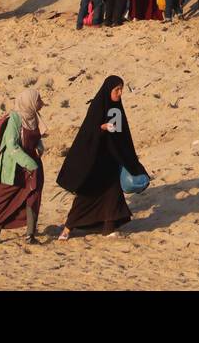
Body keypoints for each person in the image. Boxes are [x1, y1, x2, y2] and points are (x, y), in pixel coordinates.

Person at [56, 76, 148, 238]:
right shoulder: (98, 107)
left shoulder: (117, 109)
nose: (120, 93)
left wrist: (127, 158)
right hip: (94, 161)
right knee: (85, 196)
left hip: (111, 162)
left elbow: (121, 136)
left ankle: (109, 228)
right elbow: (88, 134)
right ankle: (68, 228)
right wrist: (102, 128)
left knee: (112, 196)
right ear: (108, 90)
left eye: (121, 89)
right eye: (116, 90)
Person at [0, 89, 45, 244]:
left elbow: (37, 137)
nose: (41, 103)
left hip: (32, 167)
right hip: (11, 167)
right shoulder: (15, 118)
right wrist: (28, 162)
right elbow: (11, 145)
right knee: (2, 199)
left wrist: (40, 147)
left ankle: (30, 234)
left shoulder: (34, 117)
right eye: (38, 100)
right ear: (30, 102)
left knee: (33, 196)